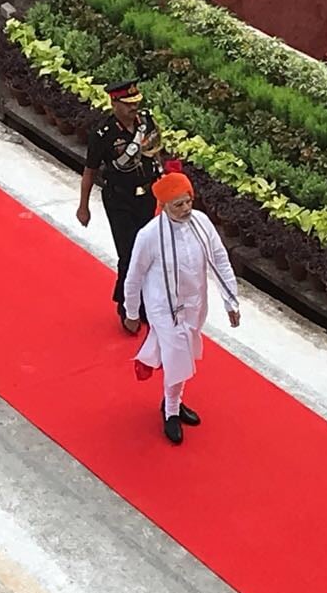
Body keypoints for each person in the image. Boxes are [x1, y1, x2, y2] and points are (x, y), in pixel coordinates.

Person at [122, 165, 241, 445]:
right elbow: (134, 275)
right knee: (178, 356)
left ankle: (171, 398)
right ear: (164, 206)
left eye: (188, 201)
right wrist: (130, 312)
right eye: (179, 205)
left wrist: (230, 300)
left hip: (194, 302)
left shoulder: (201, 222)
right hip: (163, 308)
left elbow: (220, 259)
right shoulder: (150, 235)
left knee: (184, 352)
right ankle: (171, 411)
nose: (186, 208)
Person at [77, 79, 162, 333]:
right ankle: (127, 307)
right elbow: (89, 171)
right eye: (128, 105)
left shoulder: (145, 121)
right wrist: (84, 207)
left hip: (146, 196)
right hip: (119, 199)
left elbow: (155, 151)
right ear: (114, 103)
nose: (134, 108)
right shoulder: (103, 134)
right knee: (129, 255)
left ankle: (142, 303)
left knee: (146, 254)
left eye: (136, 103)